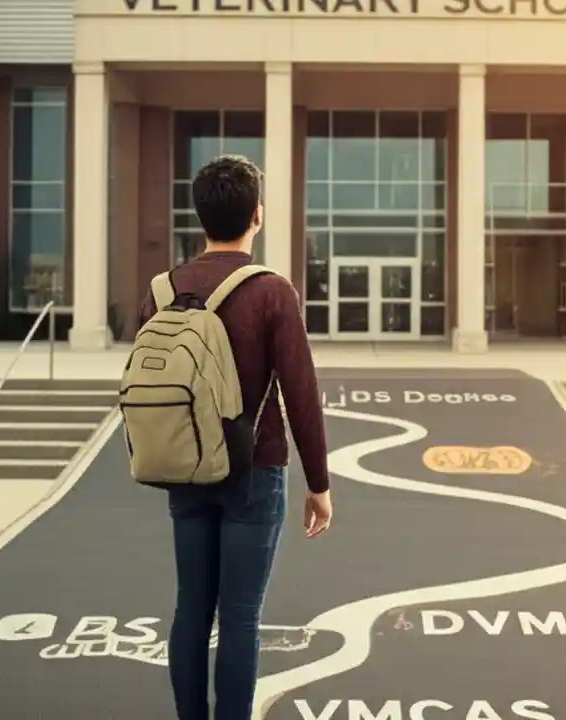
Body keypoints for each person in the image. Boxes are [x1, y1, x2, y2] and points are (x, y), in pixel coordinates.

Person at [137, 154, 332, 720]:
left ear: (200, 216)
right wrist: (318, 484)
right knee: (241, 616)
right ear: (257, 216)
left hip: (183, 466)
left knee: (191, 610)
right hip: (254, 469)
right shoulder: (271, 291)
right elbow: (300, 393)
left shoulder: (162, 289)